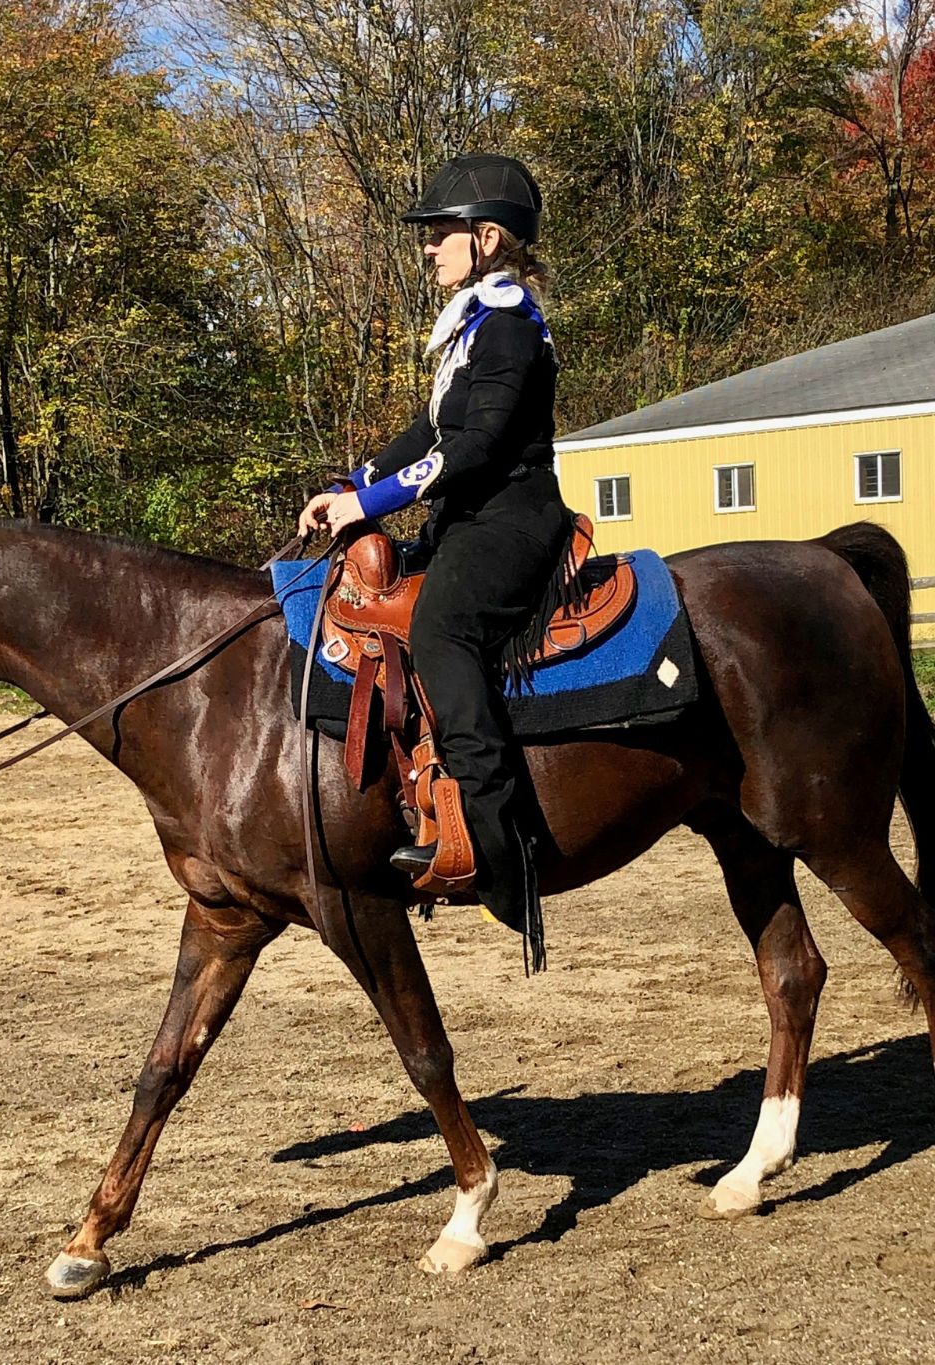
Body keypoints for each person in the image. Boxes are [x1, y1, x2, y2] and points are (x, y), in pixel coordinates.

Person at [298, 153, 572, 969]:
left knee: (442, 627)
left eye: (440, 233)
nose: (427, 247)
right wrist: (350, 486)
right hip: (467, 516)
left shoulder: (512, 326)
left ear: (487, 240)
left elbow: (478, 446)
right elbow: (427, 436)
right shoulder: (472, 326)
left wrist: (373, 506)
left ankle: (496, 845)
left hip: (513, 519)